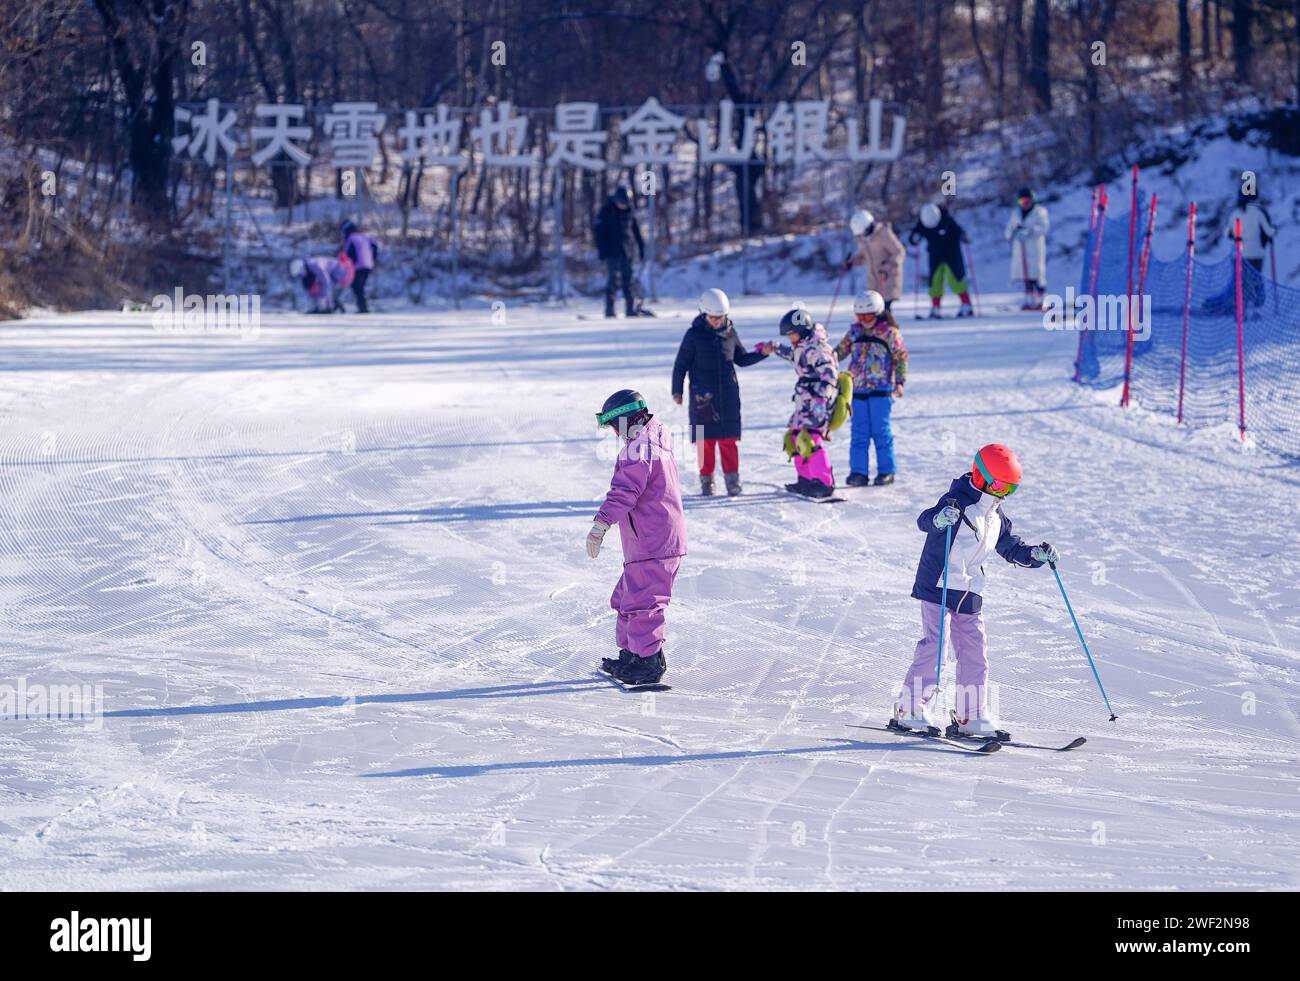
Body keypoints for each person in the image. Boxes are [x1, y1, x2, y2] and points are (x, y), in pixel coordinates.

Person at [892, 444, 1058, 736]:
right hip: (939, 584)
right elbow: (925, 520)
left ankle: (970, 716)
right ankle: (910, 708)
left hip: (970, 592)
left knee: (975, 654)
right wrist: (939, 519)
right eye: (998, 485)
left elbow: (1011, 548)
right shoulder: (957, 501)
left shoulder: (996, 516)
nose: (1002, 494)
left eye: (1010, 490)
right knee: (935, 648)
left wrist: (1035, 555)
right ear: (981, 476)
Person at [586, 390, 687, 686]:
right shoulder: (653, 436)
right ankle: (632, 654)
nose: (616, 434)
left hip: (654, 541)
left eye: (616, 426)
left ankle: (648, 662)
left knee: (644, 602)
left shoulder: (640, 448)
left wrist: (600, 525)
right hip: (648, 540)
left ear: (628, 419)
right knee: (626, 598)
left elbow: (624, 492)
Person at [671, 289, 769, 496]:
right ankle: (707, 481)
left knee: (728, 441)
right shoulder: (693, 335)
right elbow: (680, 364)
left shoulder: (730, 332)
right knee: (704, 442)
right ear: (703, 314)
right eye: (713, 318)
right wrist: (677, 390)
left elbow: (741, 359)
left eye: (720, 317)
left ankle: (732, 480)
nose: (717, 321)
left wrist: (762, 354)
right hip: (702, 398)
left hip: (728, 397)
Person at [755, 306, 840, 498]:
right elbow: (791, 355)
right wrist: (773, 347)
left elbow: (830, 375)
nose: (790, 339)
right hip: (804, 401)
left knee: (810, 439)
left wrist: (821, 399)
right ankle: (806, 479)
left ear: (802, 331)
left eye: (791, 335)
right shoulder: (802, 347)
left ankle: (824, 482)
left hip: (818, 402)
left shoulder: (818, 348)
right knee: (794, 439)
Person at [835, 290, 908, 486]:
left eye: (868, 316)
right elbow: (839, 352)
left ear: (878, 313)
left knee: (881, 432)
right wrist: (826, 358)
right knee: (859, 433)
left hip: (881, 390)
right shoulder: (854, 332)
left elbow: (900, 357)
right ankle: (858, 472)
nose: (864, 320)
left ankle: (886, 471)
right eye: (860, 316)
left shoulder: (890, 333)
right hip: (856, 390)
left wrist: (899, 382)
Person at [908, 203, 974, 318]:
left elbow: (959, 231)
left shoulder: (947, 220)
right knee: (935, 281)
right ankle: (936, 307)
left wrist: (964, 236)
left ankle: (966, 305)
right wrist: (914, 239)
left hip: (952, 255)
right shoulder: (923, 221)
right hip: (935, 255)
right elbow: (914, 235)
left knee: (956, 280)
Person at [592, 187, 645, 318]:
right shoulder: (606, 211)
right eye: (622, 202)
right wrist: (601, 250)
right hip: (612, 252)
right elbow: (598, 233)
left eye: (626, 203)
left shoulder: (629, 212)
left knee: (629, 281)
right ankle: (609, 309)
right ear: (616, 200)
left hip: (627, 251)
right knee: (613, 280)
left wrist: (641, 247)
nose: (623, 205)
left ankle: (630, 309)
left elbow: (636, 231)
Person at [843, 209, 905, 314]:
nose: (863, 234)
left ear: (870, 226)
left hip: (887, 278)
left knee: (884, 310)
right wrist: (852, 262)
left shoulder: (883, 234)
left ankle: (889, 330)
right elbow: (863, 256)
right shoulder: (863, 239)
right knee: (873, 312)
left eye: (864, 231)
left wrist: (889, 263)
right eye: (861, 233)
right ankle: (877, 330)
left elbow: (899, 251)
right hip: (873, 281)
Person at [1005, 187, 1050, 311]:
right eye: (1021, 202)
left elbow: (1044, 227)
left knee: (1038, 276)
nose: (1024, 205)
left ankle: (1041, 301)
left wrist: (1030, 231)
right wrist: (1014, 233)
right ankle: (1029, 301)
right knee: (1026, 277)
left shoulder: (1040, 212)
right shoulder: (1016, 213)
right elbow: (1009, 230)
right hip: (1020, 249)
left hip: (1034, 248)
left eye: (1027, 202)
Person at [340, 219, 379, 313]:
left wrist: (347, 264)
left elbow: (347, 253)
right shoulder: (366, 236)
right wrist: (373, 258)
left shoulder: (351, 238)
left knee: (357, 287)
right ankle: (363, 307)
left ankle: (363, 308)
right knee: (360, 287)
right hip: (368, 265)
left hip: (358, 266)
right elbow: (376, 246)